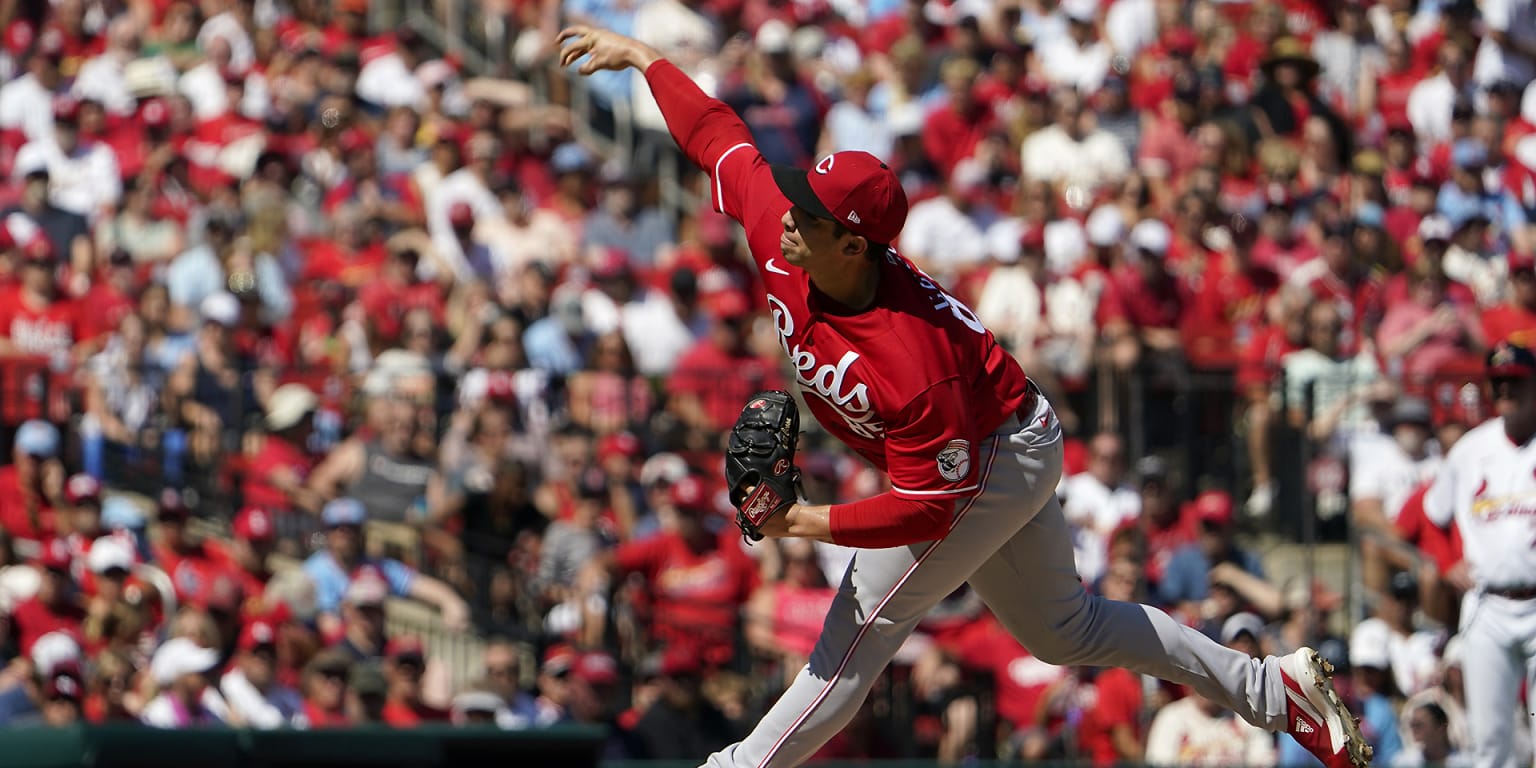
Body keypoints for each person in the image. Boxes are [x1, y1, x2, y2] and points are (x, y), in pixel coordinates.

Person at [557, 24, 1371, 768]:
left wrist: (803, 521)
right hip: (994, 437)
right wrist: (644, 60)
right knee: (1066, 630)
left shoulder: (914, 358)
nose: (788, 213)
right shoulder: (787, 229)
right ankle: (1275, 690)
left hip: (994, 454)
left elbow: (927, 510)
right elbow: (718, 138)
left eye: (810, 210)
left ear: (855, 242)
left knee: (859, 629)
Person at [1422, 340, 1536, 768]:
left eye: (1516, 382)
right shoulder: (1471, 449)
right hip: (1488, 606)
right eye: (1498, 383)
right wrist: (1447, 561)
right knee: (1489, 745)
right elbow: (1432, 517)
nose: (1506, 391)